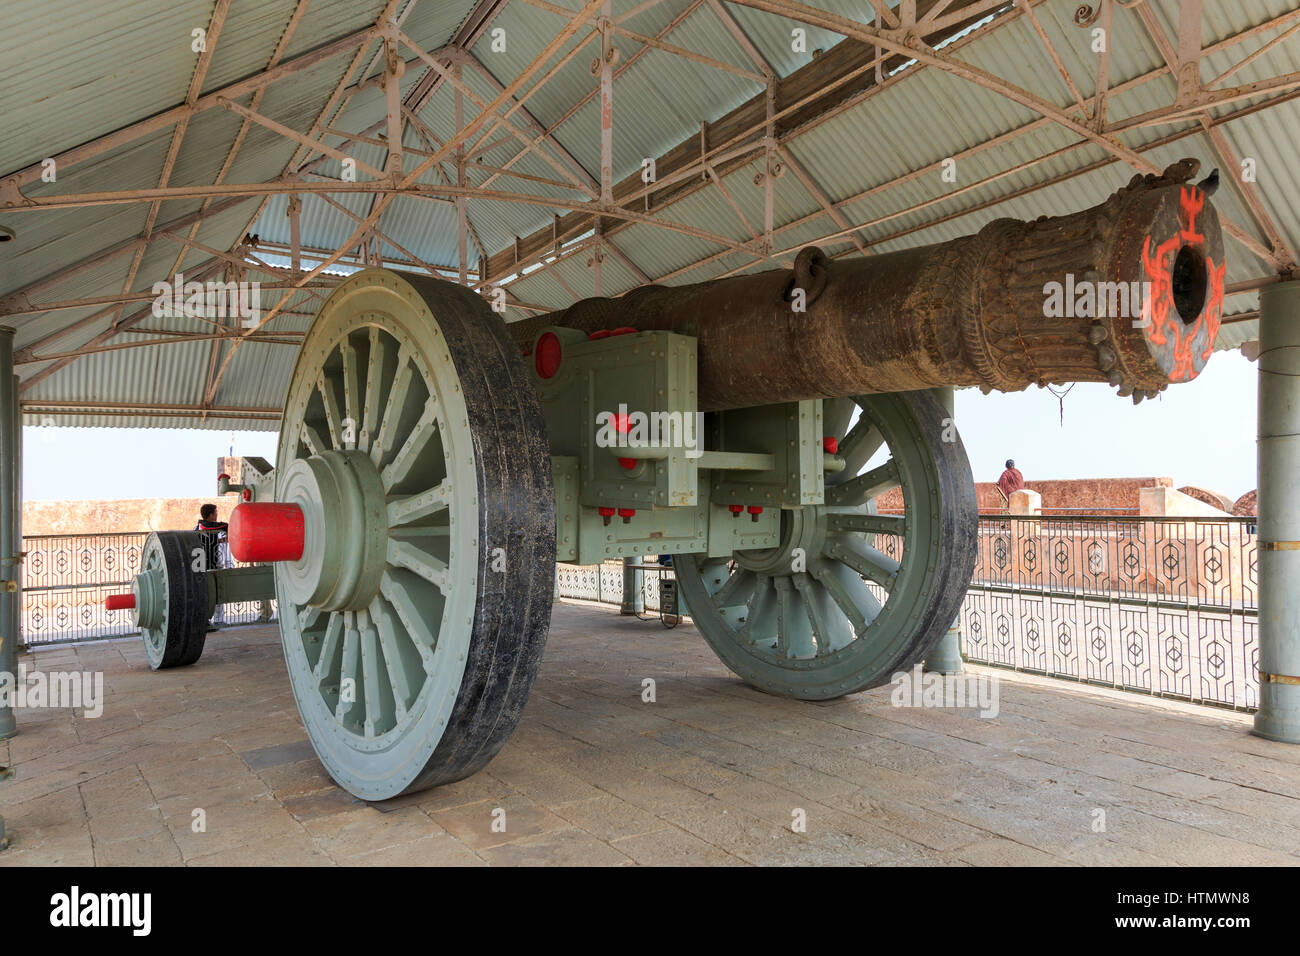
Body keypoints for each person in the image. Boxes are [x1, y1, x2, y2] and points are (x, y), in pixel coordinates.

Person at [195, 504, 228, 625]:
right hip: (211, 563)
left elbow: (207, 540)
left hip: (201, 565)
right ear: (210, 515)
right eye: (216, 512)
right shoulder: (209, 525)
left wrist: (219, 541)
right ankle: (218, 620)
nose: (217, 514)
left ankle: (206, 619)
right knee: (217, 591)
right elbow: (225, 526)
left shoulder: (197, 527)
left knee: (206, 593)